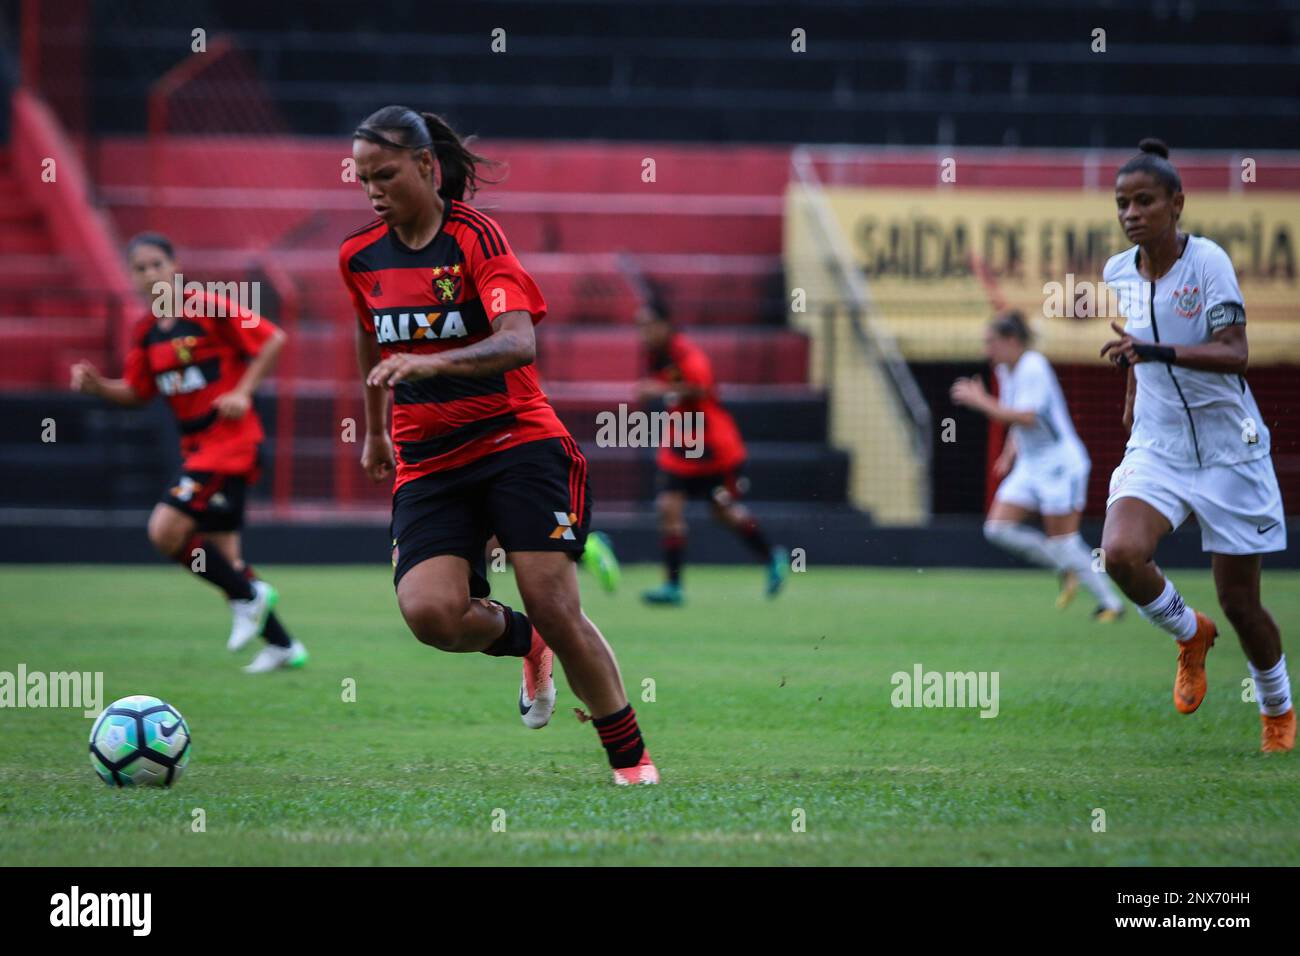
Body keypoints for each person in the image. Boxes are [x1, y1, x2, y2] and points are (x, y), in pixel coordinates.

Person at [340, 105, 658, 784]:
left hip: (516, 442)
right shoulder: (358, 256)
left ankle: (631, 762)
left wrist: (430, 362)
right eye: (362, 179)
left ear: (426, 167)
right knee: (431, 613)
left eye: (386, 175)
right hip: (428, 460)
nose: (373, 191)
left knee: (553, 599)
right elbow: (368, 333)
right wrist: (373, 428)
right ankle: (526, 641)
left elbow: (520, 341)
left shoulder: (477, 238)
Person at [1099, 138, 1292, 753]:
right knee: (1121, 554)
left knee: (1243, 603)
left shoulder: (1208, 263)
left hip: (1230, 449)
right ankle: (1190, 632)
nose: (1132, 213)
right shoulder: (1116, 272)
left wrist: (1154, 353)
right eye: (1123, 203)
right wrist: (1134, 391)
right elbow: (1135, 341)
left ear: (1176, 203)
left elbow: (1236, 354)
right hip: (1160, 446)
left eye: (1144, 201)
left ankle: (1277, 710)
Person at [70, 233, 307, 673]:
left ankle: (248, 596)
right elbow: (138, 392)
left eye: (156, 264)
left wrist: (242, 391)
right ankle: (282, 646)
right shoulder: (145, 333)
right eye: (140, 269)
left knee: (164, 531)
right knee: (224, 561)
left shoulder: (205, 307)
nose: (149, 275)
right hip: (198, 450)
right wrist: (99, 386)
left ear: (175, 265)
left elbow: (273, 338)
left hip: (231, 446)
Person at [951, 310, 1125, 619]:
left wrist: (980, 401)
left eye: (991, 342)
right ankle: (1065, 567)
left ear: (1012, 340)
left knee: (1064, 541)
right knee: (997, 528)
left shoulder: (1034, 366)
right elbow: (1018, 418)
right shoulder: (1007, 369)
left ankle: (1111, 604)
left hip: (1059, 464)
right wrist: (1009, 452)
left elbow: (1026, 416)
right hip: (1030, 464)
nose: (986, 349)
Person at [636, 294, 788, 605]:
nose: (644, 332)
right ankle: (673, 586)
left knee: (724, 511)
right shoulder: (657, 353)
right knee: (668, 507)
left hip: (711, 447)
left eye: (649, 325)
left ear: (665, 325)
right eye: (640, 326)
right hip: (681, 445)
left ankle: (772, 555)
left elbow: (701, 387)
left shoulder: (685, 352)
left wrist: (661, 390)